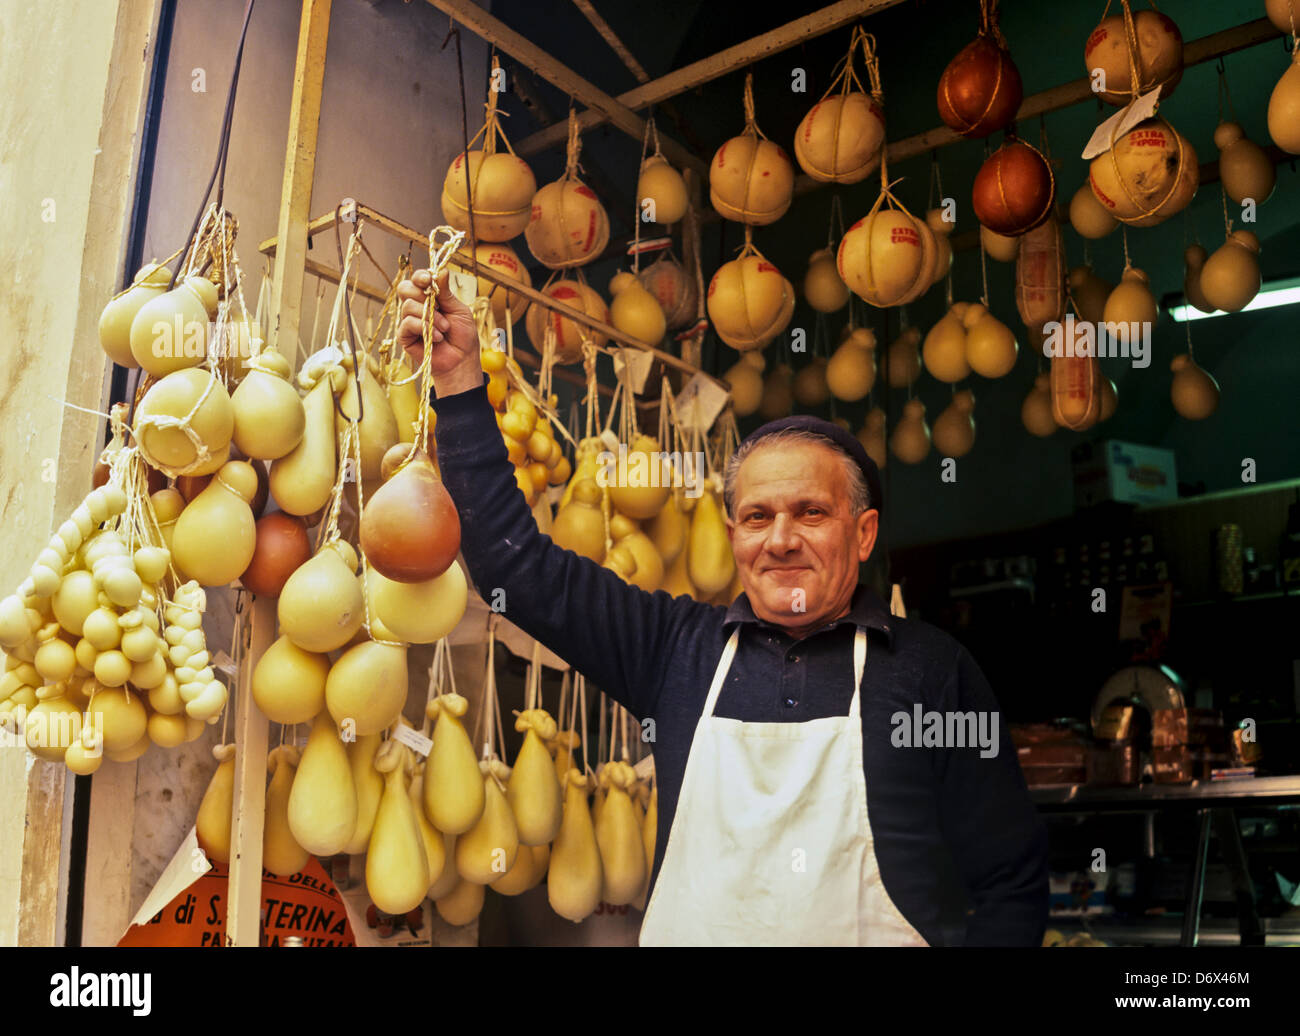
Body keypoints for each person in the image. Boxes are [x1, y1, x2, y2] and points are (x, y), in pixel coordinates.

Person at [397, 269, 1049, 946]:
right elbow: (517, 569)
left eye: (812, 513)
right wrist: (459, 386)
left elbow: (1010, 885)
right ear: (734, 536)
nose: (781, 539)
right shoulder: (675, 650)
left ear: (863, 533)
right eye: (758, 516)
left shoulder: (931, 673)